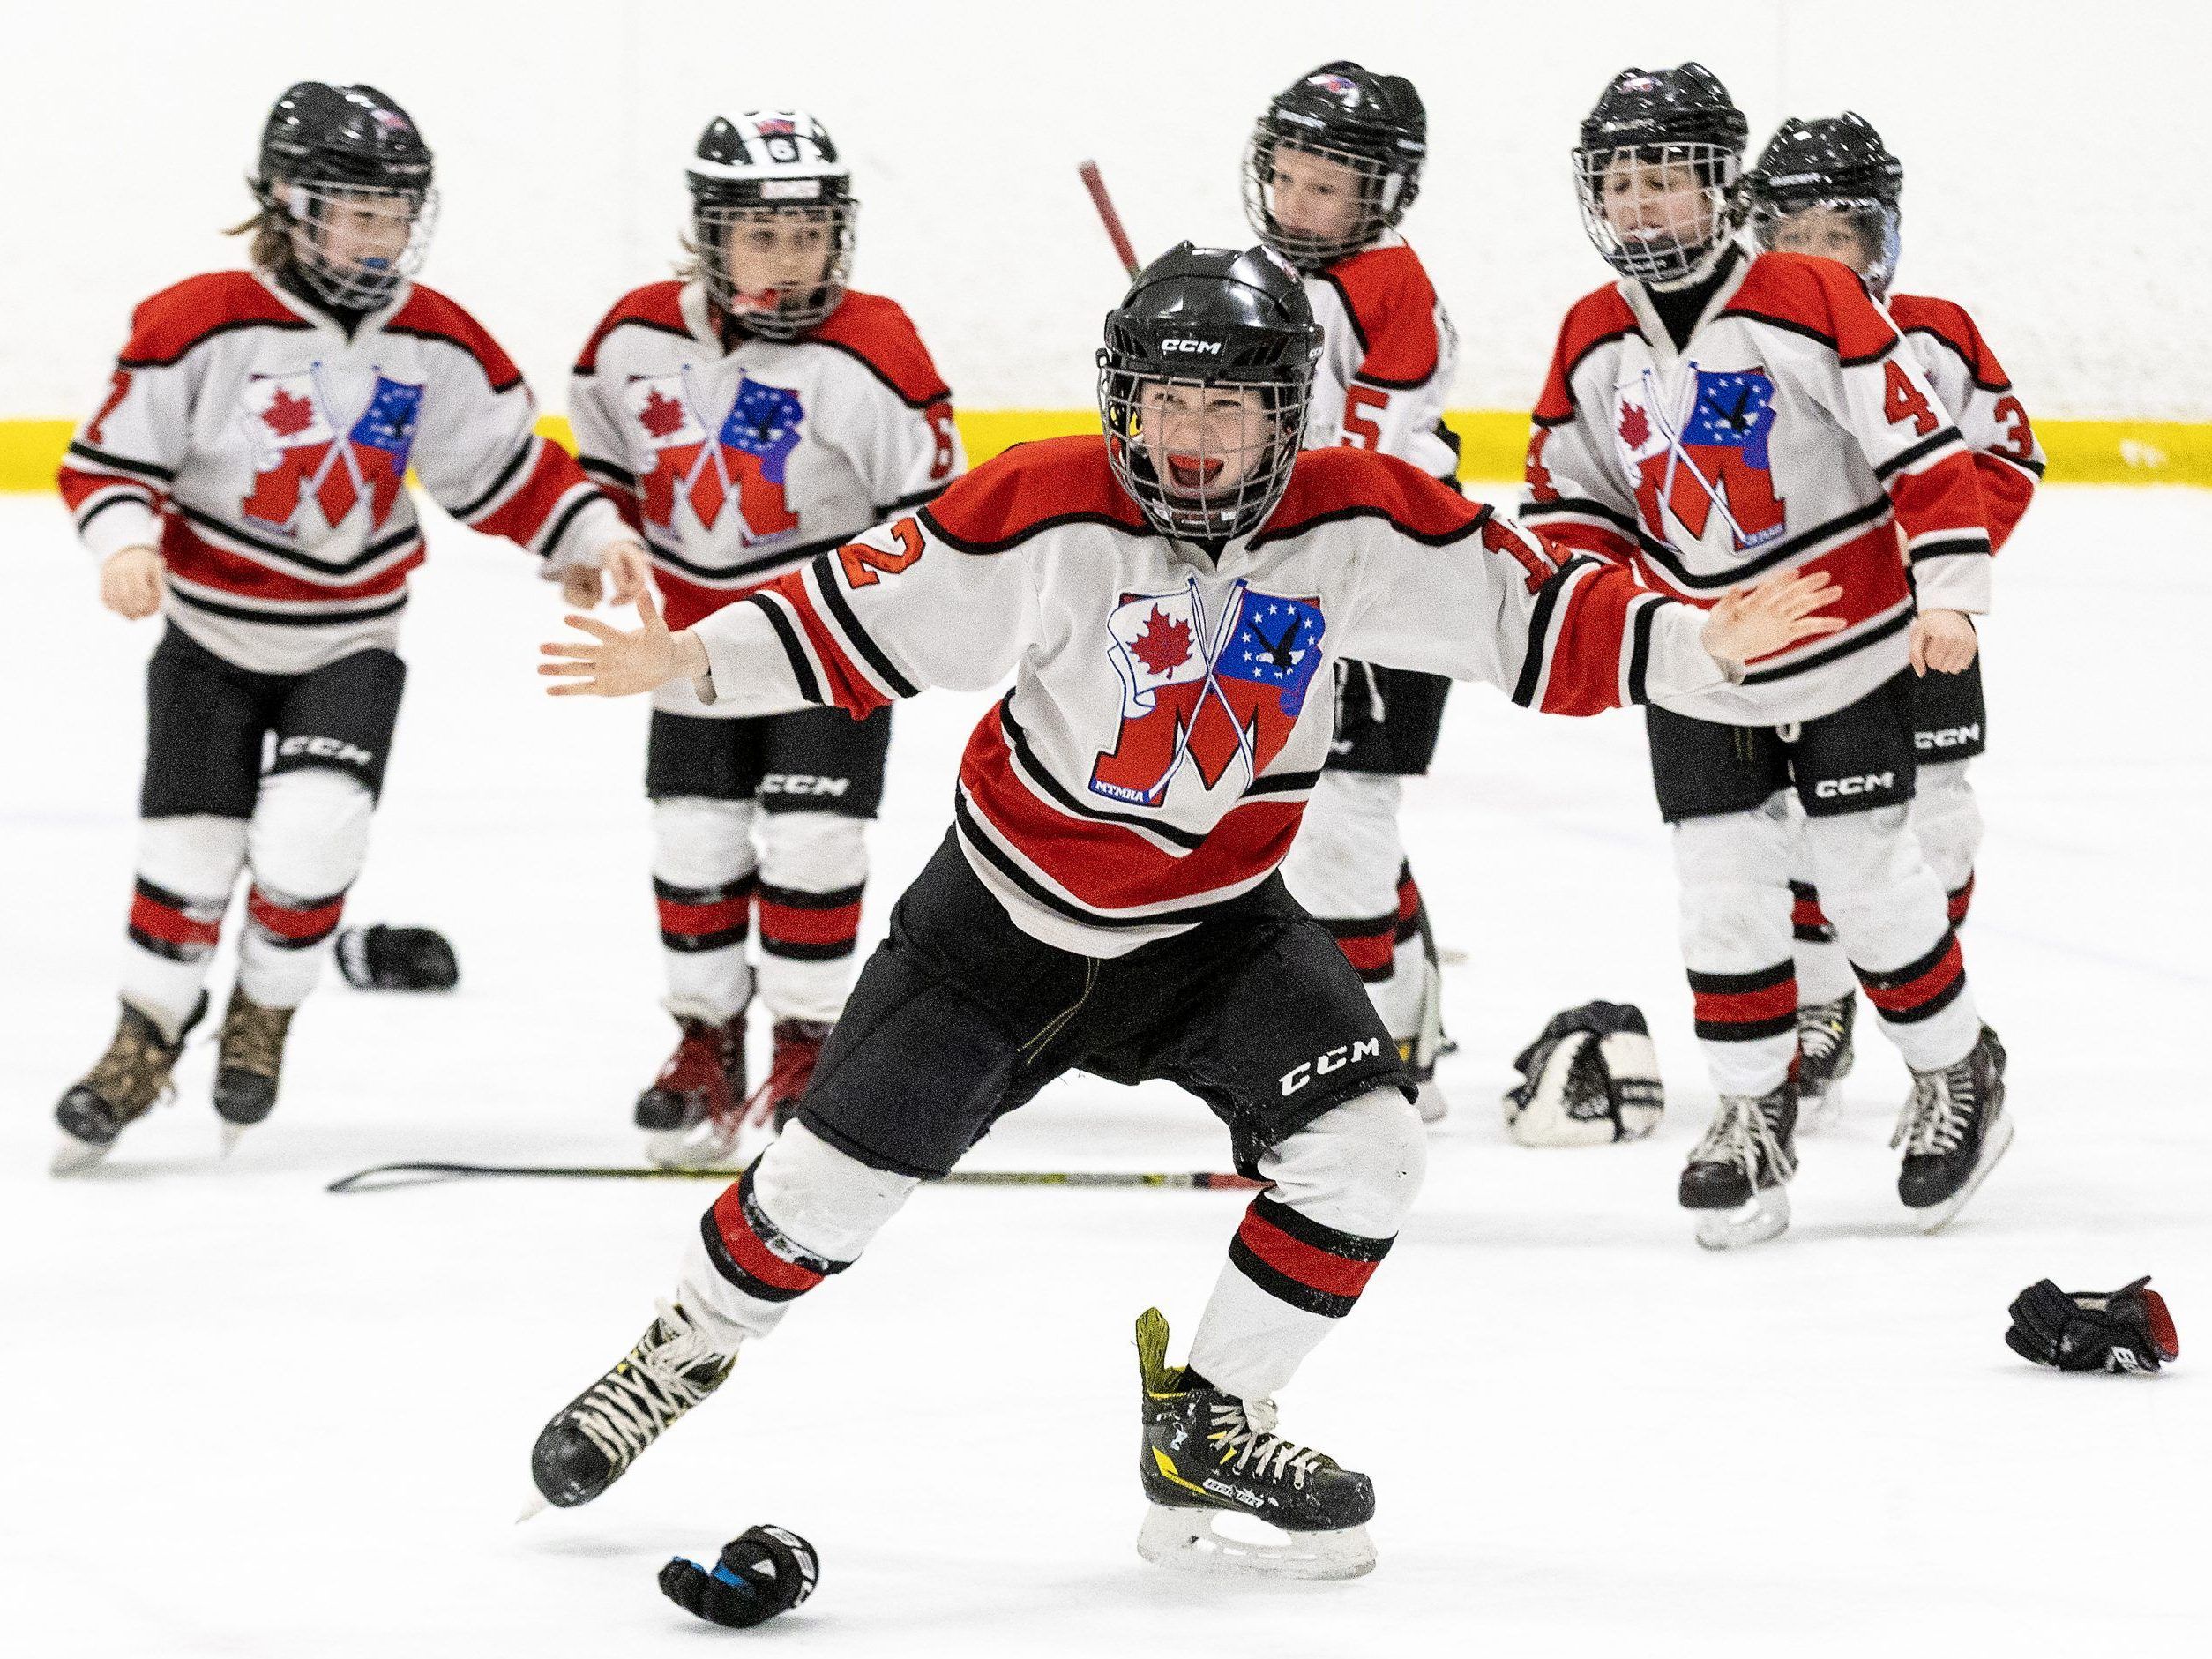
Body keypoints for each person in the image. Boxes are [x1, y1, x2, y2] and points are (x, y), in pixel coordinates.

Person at [522, 244, 1837, 1576]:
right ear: (1122, 401)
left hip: (1218, 932)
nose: (1191, 438)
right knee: (823, 1197)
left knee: (1373, 1151)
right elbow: (863, 605)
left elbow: (1526, 608)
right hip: (999, 933)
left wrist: (1691, 640)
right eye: (1163, 403)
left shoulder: (1359, 515)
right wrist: (694, 654)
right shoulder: (1045, 505)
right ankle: (679, 1347)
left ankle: (1207, 1421)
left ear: (1289, 413)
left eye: (1228, 409)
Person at [50, 82, 648, 1172]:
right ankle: (143, 1035)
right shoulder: (200, 323)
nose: (382, 237)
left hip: (349, 642)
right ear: (287, 201)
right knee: (188, 854)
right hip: (210, 641)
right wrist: (125, 543)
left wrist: (586, 536)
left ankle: (264, 1014)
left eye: (396, 214)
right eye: (357, 211)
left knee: (316, 836)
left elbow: (499, 464)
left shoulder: (432, 339)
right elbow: (109, 461)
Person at [1518, 64, 2012, 1248]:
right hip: (1700, 663)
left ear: (1721, 183)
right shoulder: (1591, 336)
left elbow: (1923, 450)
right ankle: (1751, 1114)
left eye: (1667, 178)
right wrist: (1610, 617)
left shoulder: (1805, 298)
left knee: (1866, 878)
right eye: (1620, 181)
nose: (1641, 204)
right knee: (1723, 899)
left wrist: (1946, 591)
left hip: (1846, 646)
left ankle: (1956, 1070)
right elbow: (1568, 498)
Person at [570, 108, 962, 1164]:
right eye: (764, 234)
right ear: (709, 233)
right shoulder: (632, 336)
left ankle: (808, 1048)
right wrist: (595, 534)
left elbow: (927, 512)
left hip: (826, 647)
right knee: (693, 842)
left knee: (814, 843)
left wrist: (881, 625)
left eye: (811, 232)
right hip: (688, 646)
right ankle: (703, 1047)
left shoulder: (875, 344)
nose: (793, 258)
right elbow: (600, 460)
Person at [1742, 113, 2043, 1121]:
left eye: (1842, 236)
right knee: (1800, 831)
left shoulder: (1937, 332)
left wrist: (1935, 572)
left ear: (1883, 239)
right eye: (1796, 237)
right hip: (1814, 634)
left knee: (1939, 828)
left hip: (1924, 631)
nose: (1820, 259)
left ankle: (1922, 993)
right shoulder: (1743, 348)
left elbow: (2003, 457)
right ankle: (1820, 1004)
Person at [1244, 61, 1462, 1118]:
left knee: (1342, 826)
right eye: (1286, 177)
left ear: (1382, 195)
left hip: (1384, 597)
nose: (1297, 203)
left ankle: (1365, 1077)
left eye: (1325, 186)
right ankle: (1404, 1024)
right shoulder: (1270, 275)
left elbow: (1349, 476)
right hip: (1297, 594)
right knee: (1314, 818)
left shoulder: (1390, 294)